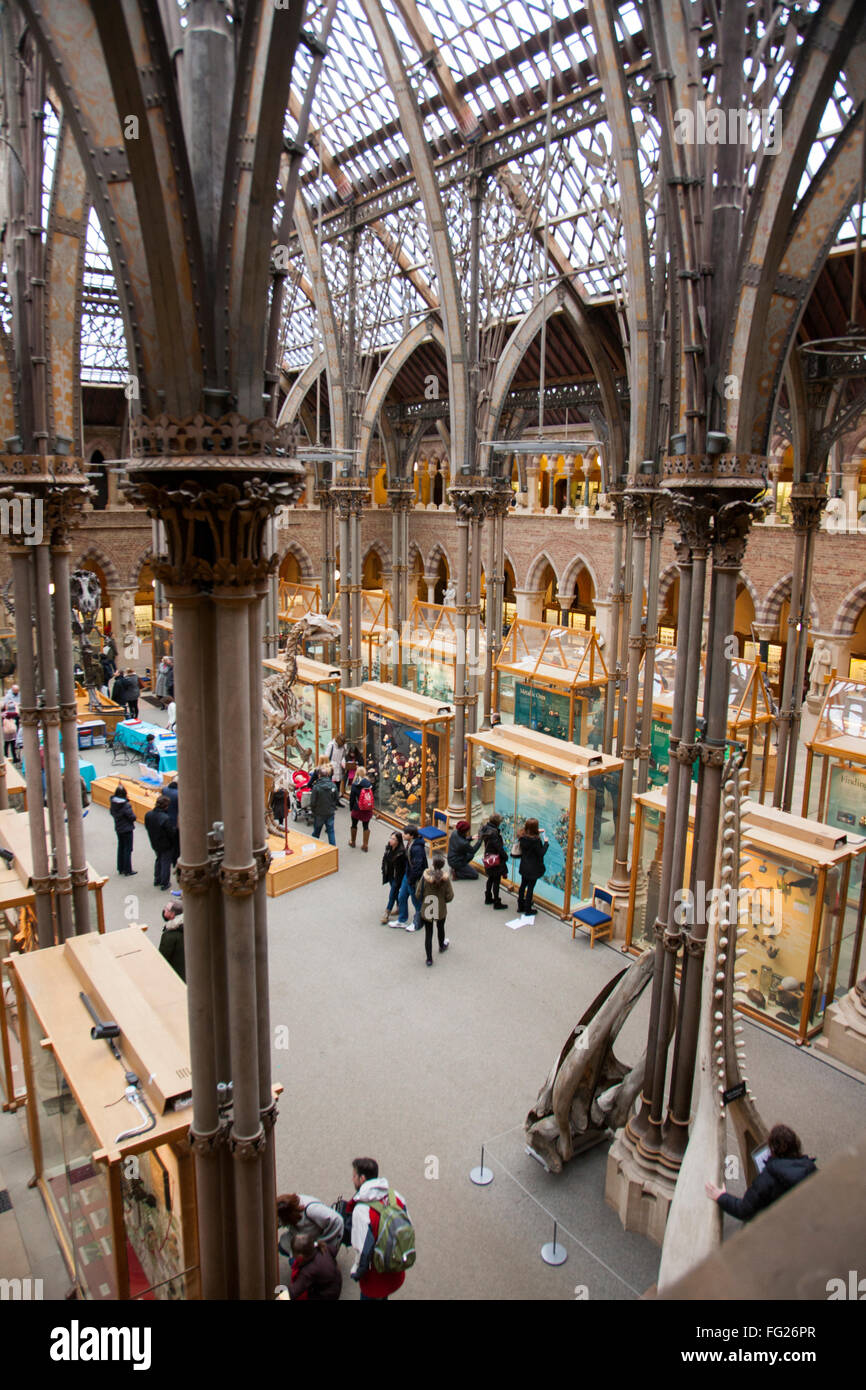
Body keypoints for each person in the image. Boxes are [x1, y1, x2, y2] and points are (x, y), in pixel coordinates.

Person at [705, 1124, 816, 1222]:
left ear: (772, 1150)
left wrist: (721, 1197)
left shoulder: (767, 1178)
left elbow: (743, 1210)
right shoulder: (810, 1168)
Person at [347, 1158, 411, 1301]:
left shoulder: (362, 1210)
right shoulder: (396, 1197)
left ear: (362, 1178)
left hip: (375, 1277)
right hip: (395, 1268)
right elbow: (408, 1225)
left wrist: (356, 1273)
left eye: (354, 1176)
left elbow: (361, 1249)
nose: (352, 1179)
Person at [277, 1193, 345, 1258]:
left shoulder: (312, 1210)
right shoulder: (285, 1209)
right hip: (304, 1236)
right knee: (282, 1247)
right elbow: (277, 1222)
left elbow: (337, 1221)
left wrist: (322, 1243)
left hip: (316, 1238)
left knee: (299, 1264)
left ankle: (318, 1261)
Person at [419, 853, 453, 966]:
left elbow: (418, 892)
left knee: (428, 934)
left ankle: (429, 958)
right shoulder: (445, 879)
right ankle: (441, 945)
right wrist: (443, 901)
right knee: (440, 927)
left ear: (432, 864)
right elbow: (450, 896)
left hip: (428, 906)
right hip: (440, 907)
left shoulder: (425, 877)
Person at [288, 1233, 342, 1302]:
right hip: (335, 1282)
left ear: (300, 1256)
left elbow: (294, 1292)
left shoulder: (309, 1271)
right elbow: (334, 1251)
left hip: (326, 1295)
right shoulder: (322, 1247)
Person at [514, 817, 548, 916]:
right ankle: (528, 909)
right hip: (533, 868)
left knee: (523, 885)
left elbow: (529, 833)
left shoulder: (522, 837)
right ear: (535, 828)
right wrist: (546, 843)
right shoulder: (536, 841)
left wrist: (537, 831)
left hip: (524, 865)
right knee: (530, 888)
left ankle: (520, 905)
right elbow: (541, 853)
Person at [396, 823, 427, 929]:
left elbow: (417, 867)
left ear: (411, 836)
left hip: (414, 878)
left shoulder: (417, 849)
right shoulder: (410, 843)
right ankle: (402, 920)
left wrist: (411, 880)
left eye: (405, 833)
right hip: (408, 875)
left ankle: (417, 923)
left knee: (416, 901)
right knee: (402, 897)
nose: (403, 835)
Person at [144, 793, 176, 890]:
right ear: (165, 806)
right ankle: (164, 883)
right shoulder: (165, 818)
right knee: (165, 862)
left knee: (158, 859)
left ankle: (157, 879)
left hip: (154, 841)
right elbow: (171, 833)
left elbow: (147, 827)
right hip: (165, 844)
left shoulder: (148, 814)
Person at [479, 812, 508, 908]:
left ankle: (488, 897)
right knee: (496, 880)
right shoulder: (494, 833)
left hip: (488, 856)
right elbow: (498, 847)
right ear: (497, 823)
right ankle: (496, 902)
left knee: (490, 878)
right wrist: (505, 856)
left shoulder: (485, 828)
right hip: (495, 859)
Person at [310, 758, 339, 846]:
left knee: (316, 832)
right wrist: (333, 807)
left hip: (319, 813)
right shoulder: (333, 785)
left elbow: (313, 801)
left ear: (319, 776)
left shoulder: (316, 787)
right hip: (330, 812)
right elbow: (336, 798)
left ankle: (314, 849)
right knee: (330, 831)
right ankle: (333, 849)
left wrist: (314, 811)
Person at [109, 783, 137, 876]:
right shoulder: (125, 805)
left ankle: (120, 868)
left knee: (121, 847)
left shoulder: (113, 803)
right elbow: (132, 817)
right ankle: (128, 869)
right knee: (128, 849)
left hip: (119, 828)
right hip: (127, 829)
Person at [380, 829, 407, 923]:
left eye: (393, 839)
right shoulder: (388, 848)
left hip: (398, 877)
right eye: (390, 838)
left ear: (398, 841)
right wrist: (383, 869)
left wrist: (401, 878)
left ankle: (386, 913)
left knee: (392, 894)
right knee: (395, 892)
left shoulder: (402, 852)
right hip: (390, 874)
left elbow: (404, 867)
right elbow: (385, 859)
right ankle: (399, 907)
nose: (390, 840)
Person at [349, 764, 374, 851]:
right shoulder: (369, 784)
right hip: (367, 808)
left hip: (357, 808)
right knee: (366, 826)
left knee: (354, 824)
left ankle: (353, 842)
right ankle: (365, 845)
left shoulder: (355, 784)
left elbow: (352, 798)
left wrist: (351, 808)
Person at [158, 902, 185, 981]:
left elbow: (162, 958)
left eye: (166, 909)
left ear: (172, 915)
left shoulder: (170, 935)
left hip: (177, 974)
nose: (164, 910)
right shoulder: (189, 926)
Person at [325, 732, 348, 802]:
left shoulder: (344, 746)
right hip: (331, 768)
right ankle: (331, 801)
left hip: (339, 767)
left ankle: (336, 800)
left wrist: (343, 762)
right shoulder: (331, 745)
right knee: (331, 785)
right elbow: (326, 757)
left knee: (338, 784)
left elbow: (344, 755)